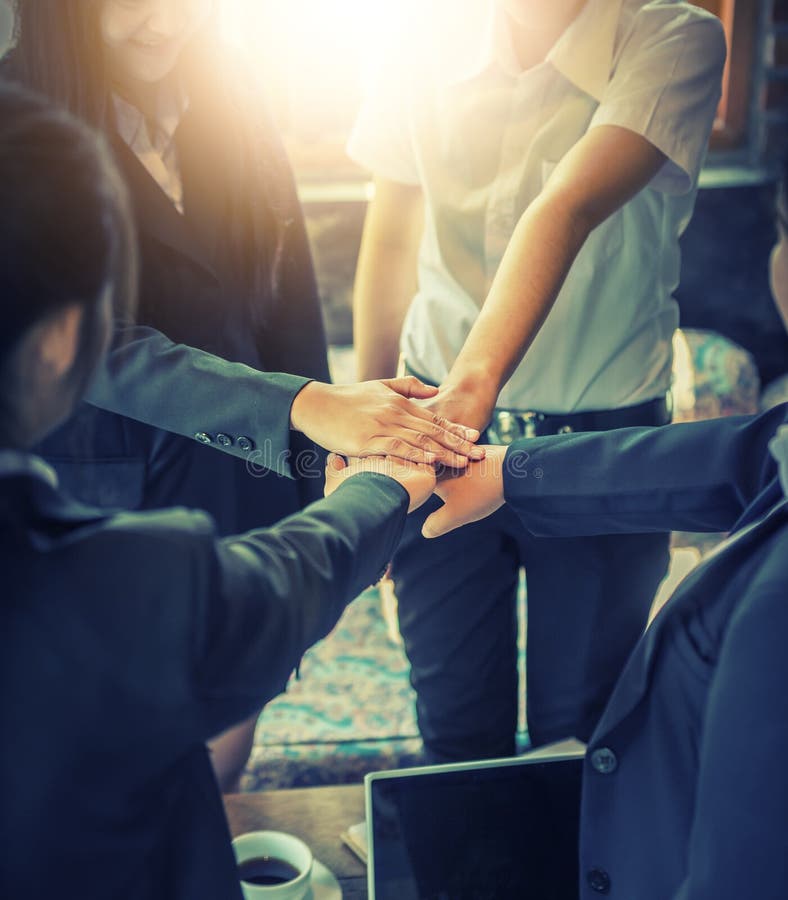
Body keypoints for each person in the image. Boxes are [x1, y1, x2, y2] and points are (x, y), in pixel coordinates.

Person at [2, 0, 482, 789]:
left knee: (224, 738)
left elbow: (285, 302)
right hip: (108, 494)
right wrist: (302, 406)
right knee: (119, 776)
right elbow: (103, 344)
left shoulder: (234, 96)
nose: (163, 18)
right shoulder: (20, 121)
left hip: (245, 479)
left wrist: (330, 446)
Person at [353, 158, 786, 899]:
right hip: (480, 466)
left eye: (782, 232)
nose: (775, 258)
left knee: (579, 721)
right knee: (454, 733)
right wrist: (505, 470)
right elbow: (744, 455)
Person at [348, 0, 727, 761]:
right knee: (454, 735)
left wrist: (466, 395)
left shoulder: (675, 36)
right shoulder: (421, 33)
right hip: (437, 429)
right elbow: (390, 239)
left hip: (600, 450)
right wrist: (369, 438)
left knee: (580, 736)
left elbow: (569, 206)